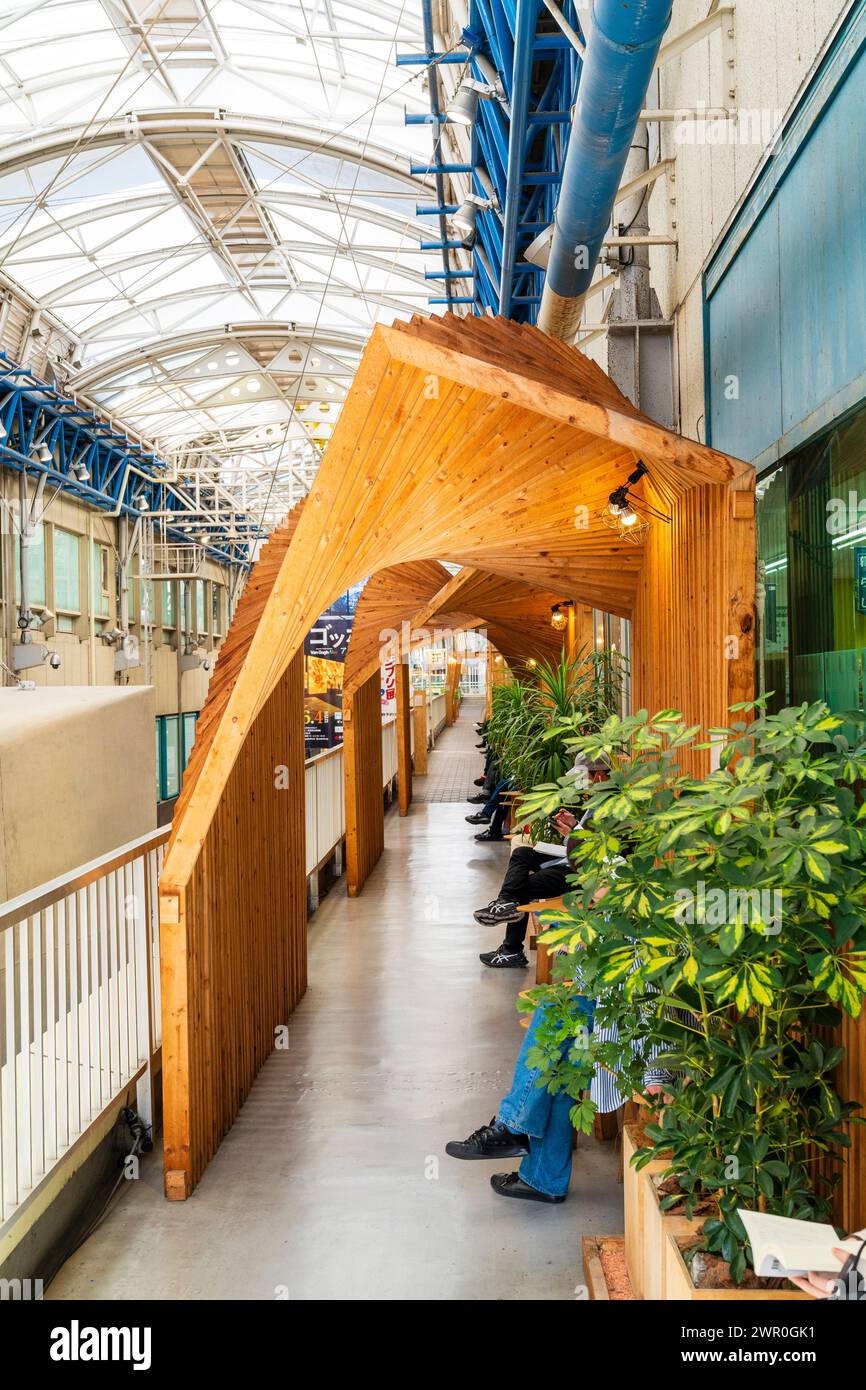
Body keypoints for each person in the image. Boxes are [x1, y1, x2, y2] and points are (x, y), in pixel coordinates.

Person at [445, 991, 672, 1203]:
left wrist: (655, 1072)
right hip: (608, 1017)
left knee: (553, 1010)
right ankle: (543, 1177)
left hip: (642, 1034)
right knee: (566, 1060)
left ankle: (514, 1129)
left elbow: (650, 993)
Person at [475, 758, 608, 968]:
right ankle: (505, 902)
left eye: (583, 777)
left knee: (523, 888)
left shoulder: (612, 807)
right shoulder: (595, 801)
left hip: (585, 870)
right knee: (522, 853)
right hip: (572, 858)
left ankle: (512, 948)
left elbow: (602, 849)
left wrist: (573, 832)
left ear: (599, 776)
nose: (580, 783)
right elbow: (582, 840)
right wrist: (573, 826)